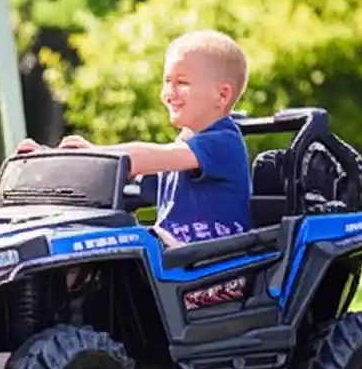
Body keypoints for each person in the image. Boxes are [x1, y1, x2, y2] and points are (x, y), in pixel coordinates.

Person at [17, 30, 252, 247]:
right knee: (85, 234)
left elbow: (142, 158)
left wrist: (95, 152)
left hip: (213, 270)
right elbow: (125, 180)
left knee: (118, 241)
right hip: (180, 265)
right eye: (167, 81)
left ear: (222, 95)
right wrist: (55, 161)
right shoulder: (185, 148)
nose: (169, 93)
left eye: (182, 83)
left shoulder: (223, 141)